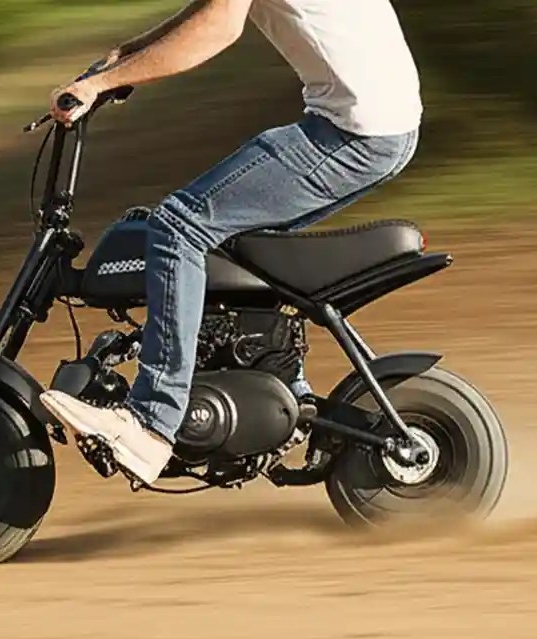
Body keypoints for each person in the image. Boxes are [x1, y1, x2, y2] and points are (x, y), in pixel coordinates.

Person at [40, 0, 422, 485]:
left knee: (178, 227)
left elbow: (217, 29)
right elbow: (208, 10)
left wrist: (99, 84)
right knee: (232, 241)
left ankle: (150, 424)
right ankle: (283, 383)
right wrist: (129, 57)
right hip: (377, 126)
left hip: (353, 134)